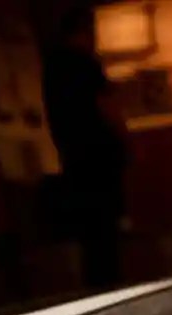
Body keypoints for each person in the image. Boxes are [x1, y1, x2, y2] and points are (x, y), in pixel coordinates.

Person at [42, 6, 129, 289]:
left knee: (90, 232)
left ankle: (96, 285)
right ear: (84, 32)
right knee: (106, 228)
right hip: (99, 155)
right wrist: (125, 139)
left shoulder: (52, 69)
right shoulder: (85, 65)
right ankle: (110, 283)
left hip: (73, 156)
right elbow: (107, 106)